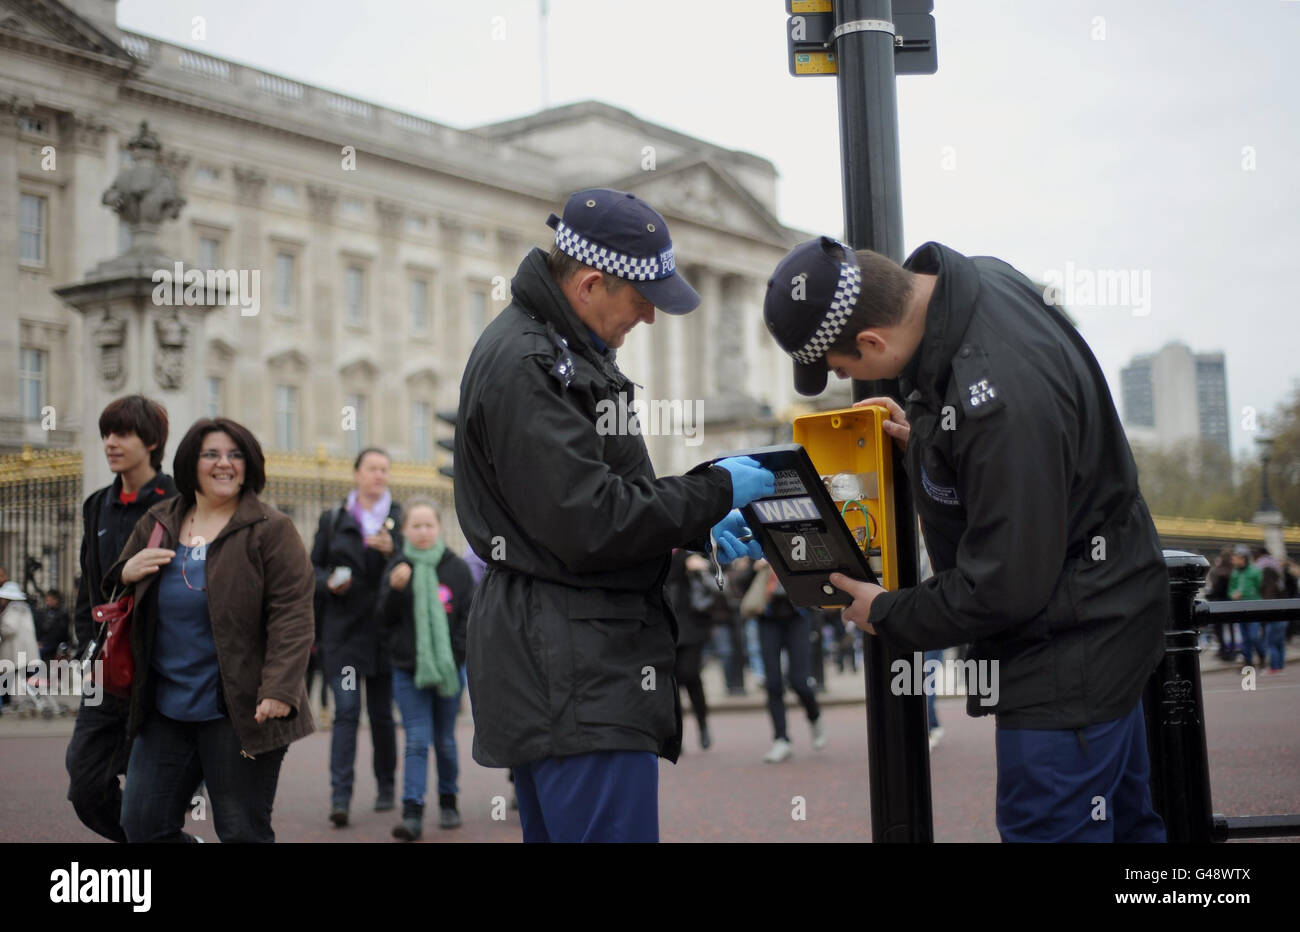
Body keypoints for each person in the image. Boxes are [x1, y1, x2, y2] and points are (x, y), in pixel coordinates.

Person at [755, 236, 1168, 843]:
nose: (844, 377)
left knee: (1051, 831)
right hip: (1105, 620)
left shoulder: (996, 400)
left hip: (1067, 652)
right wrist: (927, 436)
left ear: (872, 341)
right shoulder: (981, 283)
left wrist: (888, 611)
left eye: (843, 367)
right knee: (1133, 834)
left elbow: (1004, 584)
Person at [454, 187, 773, 843]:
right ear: (592, 282)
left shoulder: (552, 349)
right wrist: (713, 491)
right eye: (642, 298)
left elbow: (583, 504)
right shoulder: (534, 362)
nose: (650, 317)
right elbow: (590, 521)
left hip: (562, 656)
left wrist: (694, 524)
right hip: (576, 664)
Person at [109, 417, 315, 842]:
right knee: (143, 826)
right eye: (212, 454)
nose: (225, 464)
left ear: (249, 465)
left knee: (242, 832)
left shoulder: (271, 530)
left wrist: (279, 688)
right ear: (191, 462)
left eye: (235, 454)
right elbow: (113, 588)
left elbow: (292, 616)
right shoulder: (159, 522)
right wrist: (125, 571)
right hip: (165, 708)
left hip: (241, 710)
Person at [64, 395, 179, 842]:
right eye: (106, 434)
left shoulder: (178, 501)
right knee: (86, 787)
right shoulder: (96, 505)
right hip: (105, 672)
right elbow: (87, 586)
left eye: (122, 434)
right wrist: (85, 650)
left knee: (151, 797)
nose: (110, 443)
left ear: (151, 442)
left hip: (159, 671)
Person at [310, 448, 403, 827]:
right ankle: (340, 797)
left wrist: (395, 552)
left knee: (382, 714)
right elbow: (311, 569)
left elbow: (417, 565)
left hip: (384, 634)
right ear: (356, 474)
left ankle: (385, 786)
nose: (379, 475)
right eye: (372, 468)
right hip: (343, 635)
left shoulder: (399, 519)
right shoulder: (334, 518)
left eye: (384, 469)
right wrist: (328, 582)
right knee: (347, 712)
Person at [377, 499, 475, 840]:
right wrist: (394, 591)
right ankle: (412, 811)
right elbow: (383, 621)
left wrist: (457, 654)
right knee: (417, 739)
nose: (422, 532)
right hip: (408, 671)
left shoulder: (457, 570)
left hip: (450, 669)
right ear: (404, 531)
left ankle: (449, 801)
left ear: (438, 528)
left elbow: (469, 617)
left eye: (428, 525)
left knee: (445, 740)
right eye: (415, 526)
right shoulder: (397, 568)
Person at [742, 561, 826, 762]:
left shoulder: (794, 541)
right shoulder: (757, 550)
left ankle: (814, 718)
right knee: (772, 683)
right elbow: (740, 586)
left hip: (798, 618)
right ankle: (781, 739)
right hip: (768, 620)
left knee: (799, 681)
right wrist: (753, 568)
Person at [665, 550, 714, 750]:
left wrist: (696, 564)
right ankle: (677, 733)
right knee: (674, 683)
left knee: (690, 674)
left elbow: (710, 573)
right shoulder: (665, 557)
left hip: (692, 627)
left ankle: (703, 725)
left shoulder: (689, 554)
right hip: (668, 629)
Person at [0, 581, 40, 714]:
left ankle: (18, 702)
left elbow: (9, 628)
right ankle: (22, 701)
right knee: (20, 676)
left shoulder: (13, 609)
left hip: (17, 650)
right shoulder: (24, 608)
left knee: (16, 676)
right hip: (25, 649)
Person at [1229, 545, 1264, 668]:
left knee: (1254, 636)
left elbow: (1261, 589)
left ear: (1243, 558)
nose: (1233, 560)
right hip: (1240, 609)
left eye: (1236, 557)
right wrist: (1233, 594)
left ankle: (1262, 655)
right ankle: (1248, 662)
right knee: (1245, 638)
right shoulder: (1234, 573)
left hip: (1253, 608)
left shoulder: (1255, 571)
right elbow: (1230, 589)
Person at [37, 589, 71, 663]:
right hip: (45, 642)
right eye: (47, 600)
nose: (47, 603)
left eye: (49, 600)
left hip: (55, 643)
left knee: (39, 653)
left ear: (56, 600)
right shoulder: (46, 612)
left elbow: (60, 633)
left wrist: (44, 642)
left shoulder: (62, 613)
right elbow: (41, 628)